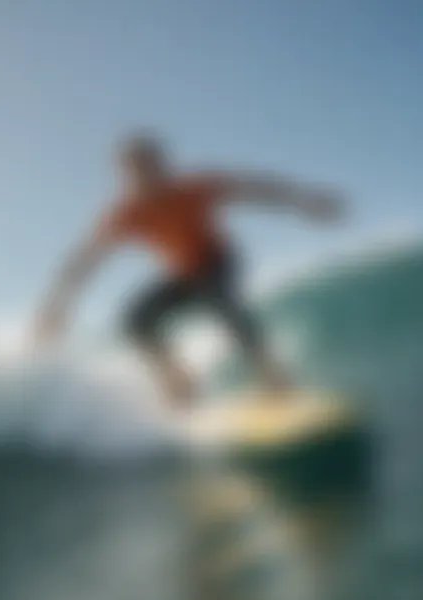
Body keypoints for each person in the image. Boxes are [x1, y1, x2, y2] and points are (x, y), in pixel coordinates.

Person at [32, 134, 345, 409]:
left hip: (217, 259)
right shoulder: (125, 213)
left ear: (162, 165)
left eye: (152, 166)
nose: (147, 176)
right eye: (136, 171)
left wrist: (306, 201)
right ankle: (179, 383)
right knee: (134, 321)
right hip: (181, 274)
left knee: (219, 300)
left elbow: (256, 189)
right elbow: (85, 260)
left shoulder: (192, 188)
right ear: (125, 176)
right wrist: (56, 307)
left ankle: (274, 377)